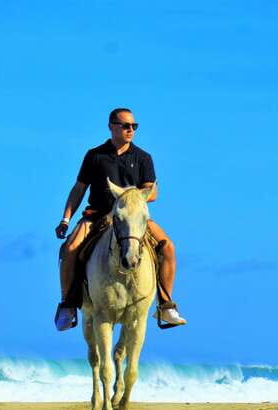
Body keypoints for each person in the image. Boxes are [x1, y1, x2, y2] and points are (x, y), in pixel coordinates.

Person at [54, 108, 187, 331]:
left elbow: (152, 192)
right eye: (125, 126)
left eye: (133, 126)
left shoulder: (143, 157)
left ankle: (165, 305)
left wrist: (128, 195)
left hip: (133, 219)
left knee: (168, 248)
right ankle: (68, 305)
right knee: (70, 248)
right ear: (111, 126)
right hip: (97, 215)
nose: (130, 130)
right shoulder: (95, 155)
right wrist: (66, 219)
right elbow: (79, 189)